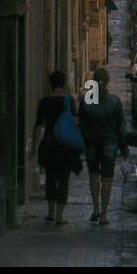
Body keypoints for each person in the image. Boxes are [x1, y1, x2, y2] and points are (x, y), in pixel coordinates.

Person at [30, 70, 81, 225]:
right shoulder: (69, 101)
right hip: (64, 145)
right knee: (64, 179)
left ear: (50, 84)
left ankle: (51, 212)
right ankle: (60, 215)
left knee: (50, 178)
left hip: (49, 144)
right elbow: (76, 121)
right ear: (64, 84)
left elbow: (38, 126)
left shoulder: (44, 102)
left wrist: (33, 147)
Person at [78, 67, 127, 225]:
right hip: (109, 144)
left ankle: (96, 208)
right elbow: (120, 126)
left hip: (91, 143)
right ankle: (104, 214)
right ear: (108, 82)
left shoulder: (87, 100)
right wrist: (123, 146)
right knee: (107, 178)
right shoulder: (114, 101)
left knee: (93, 175)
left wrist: (84, 140)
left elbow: (81, 124)